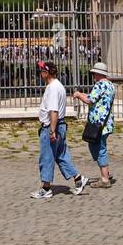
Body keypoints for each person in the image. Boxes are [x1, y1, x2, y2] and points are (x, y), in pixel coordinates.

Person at [31, 61, 87, 199]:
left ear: (46, 73)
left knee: (47, 157)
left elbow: (53, 111)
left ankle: (46, 188)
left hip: (52, 126)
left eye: (42, 70)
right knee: (61, 156)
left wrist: (52, 130)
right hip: (60, 126)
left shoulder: (53, 88)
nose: (40, 73)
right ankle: (78, 179)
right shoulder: (58, 86)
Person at [73, 62, 116, 188]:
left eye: (94, 74)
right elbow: (94, 98)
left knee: (98, 149)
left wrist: (78, 94)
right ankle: (105, 173)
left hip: (98, 124)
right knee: (98, 147)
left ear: (98, 74)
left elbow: (89, 100)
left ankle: (104, 179)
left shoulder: (99, 85)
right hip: (106, 123)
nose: (93, 76)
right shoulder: (110, 85)